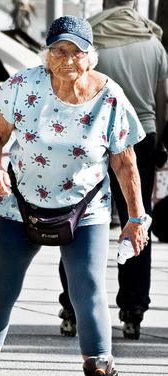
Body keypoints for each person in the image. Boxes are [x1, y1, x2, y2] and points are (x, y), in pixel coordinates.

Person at [0, 15, 148, 376]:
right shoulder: (24, 86)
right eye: (58, 51)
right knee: (0, 286)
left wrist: (136, 218)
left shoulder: (109, 96)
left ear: (89, 56)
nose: (66, 60)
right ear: (46, 54)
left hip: (85, 209)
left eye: (75, 52)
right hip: (21, 203)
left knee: (88, 289)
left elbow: (124, 161)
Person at [58, 0, 168, 340]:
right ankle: (133, 309)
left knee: (74, 219)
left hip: (90, 137)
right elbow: (162, 100)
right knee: (137, 218)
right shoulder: (153, 44)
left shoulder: (87, 41)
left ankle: (72, 307)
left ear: (105, 3)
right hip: (142, 137)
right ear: (134, 4)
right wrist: (159, 140)